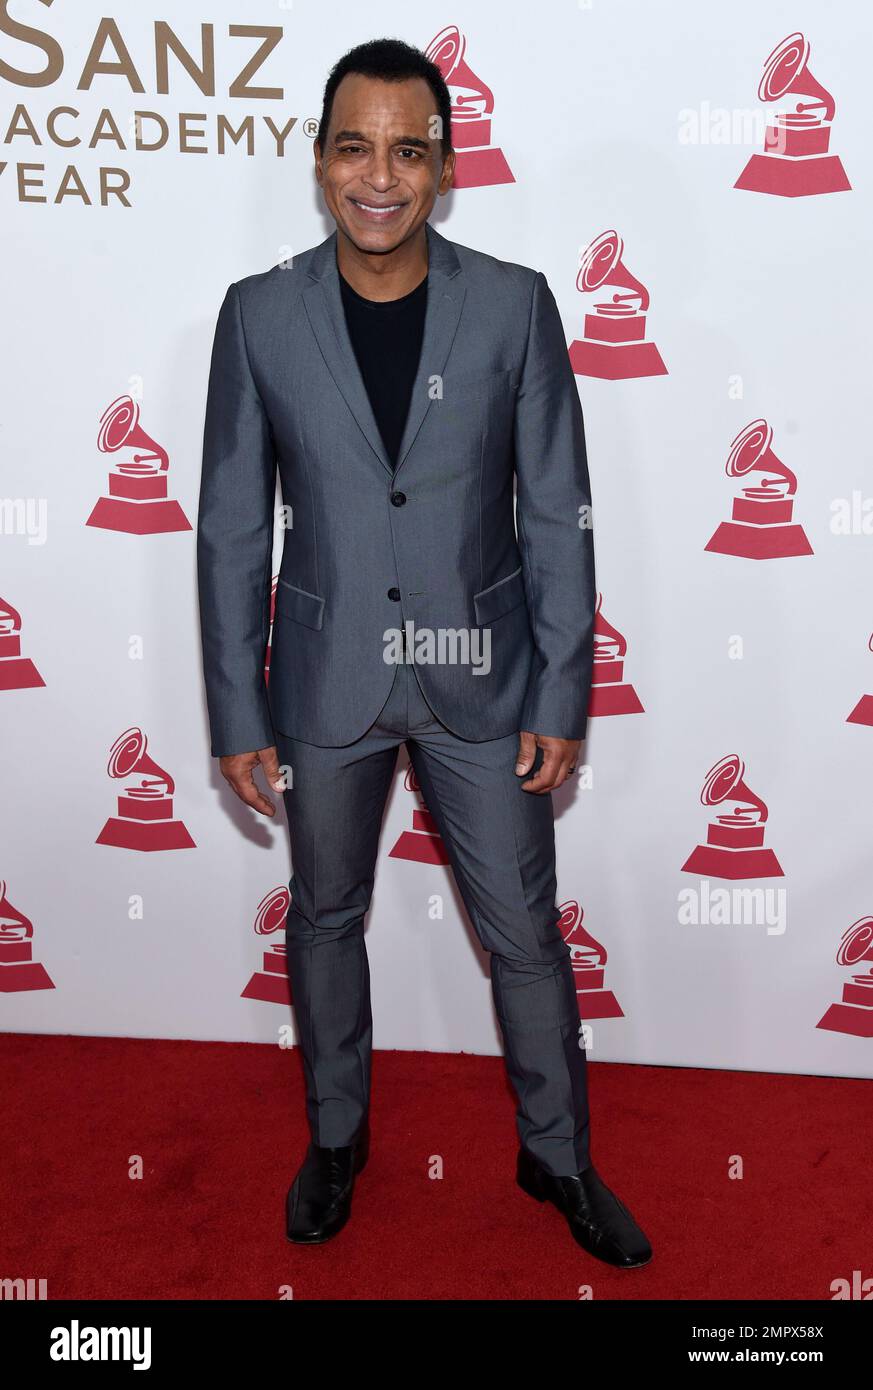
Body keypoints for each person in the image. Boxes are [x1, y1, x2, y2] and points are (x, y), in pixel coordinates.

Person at [197, 36, 651, 1268]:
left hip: (483, 682)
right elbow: (235, 526)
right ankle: (336, 1138)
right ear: (320, 164)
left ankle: (555, 1155)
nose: (379, 175)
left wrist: (564, 683)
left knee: (525, 935)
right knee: (326, 919)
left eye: (408, 149)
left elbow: (556, 510)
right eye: (355, 146)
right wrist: (236, 708)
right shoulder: (259, 316)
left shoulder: (514, 305)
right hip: (328, 682)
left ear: (444, 167)